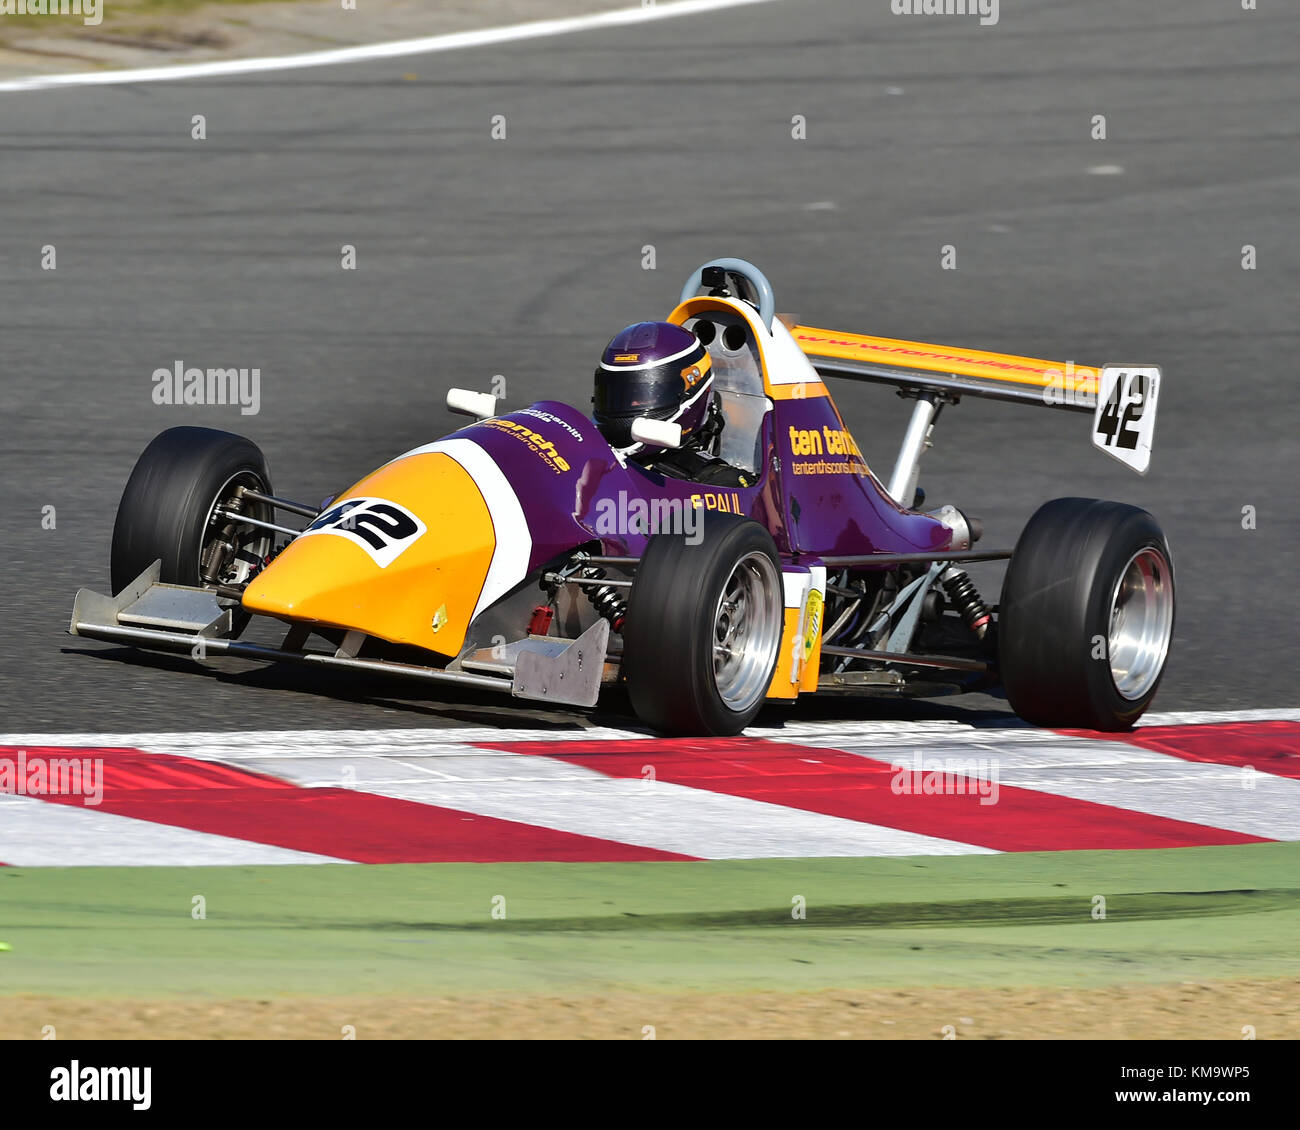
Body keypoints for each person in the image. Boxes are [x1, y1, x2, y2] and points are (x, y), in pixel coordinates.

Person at [592, 321, 753, 487]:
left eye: (642, 395)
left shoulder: (717, 482)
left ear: (690, 394)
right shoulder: (589, 460)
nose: (629, 404)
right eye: (617, 396)